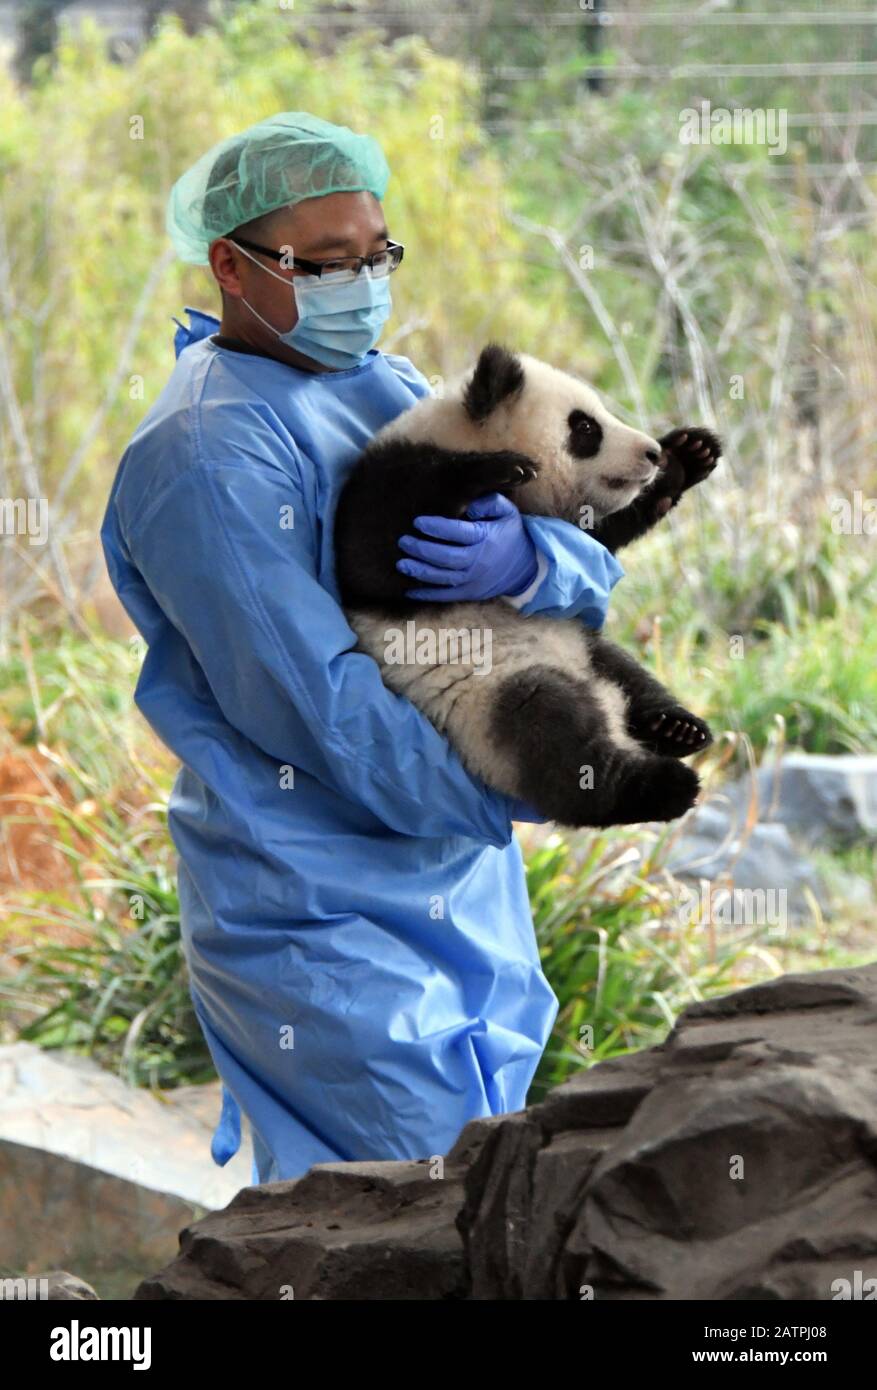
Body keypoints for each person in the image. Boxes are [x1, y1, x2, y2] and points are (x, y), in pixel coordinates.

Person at [100, 112, 626, 1184]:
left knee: (475, 1213)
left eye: (374, 255)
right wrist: (521, 773)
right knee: (395, 1232)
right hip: (322, 919)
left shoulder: (384, 388)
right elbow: (325, 711)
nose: (360, 284)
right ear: (228, 266)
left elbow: (586, 562)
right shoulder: (207, 452)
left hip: (460, 892)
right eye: (323, 264)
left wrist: (526, 568)